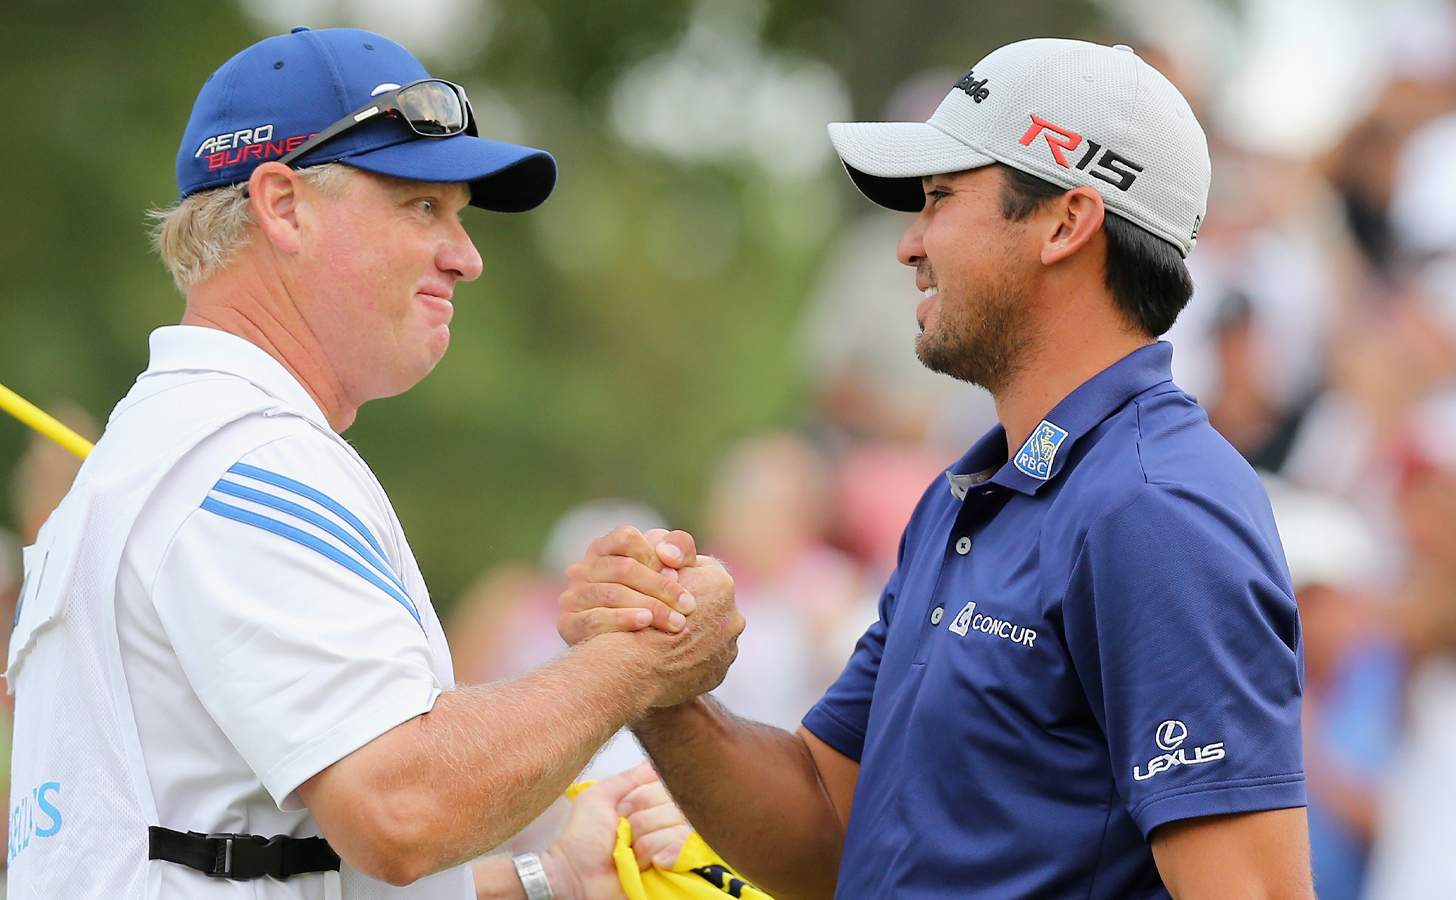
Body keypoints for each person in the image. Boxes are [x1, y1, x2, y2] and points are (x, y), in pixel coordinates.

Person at [560, 38, 1313, 899]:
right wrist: (658, 681)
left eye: (940, 199)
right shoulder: (977, 494)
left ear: (1066, 223)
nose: (907, 244)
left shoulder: (1156, 509)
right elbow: (829, 826)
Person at [5, 26, 741, 900]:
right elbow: (400, 810)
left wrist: (554, 879)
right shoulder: (250, 458)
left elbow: (260, 850)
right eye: (420, 206)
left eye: (458, 216)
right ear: (282, 206)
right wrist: (642, 661)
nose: (465, 257)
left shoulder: (171, 446)